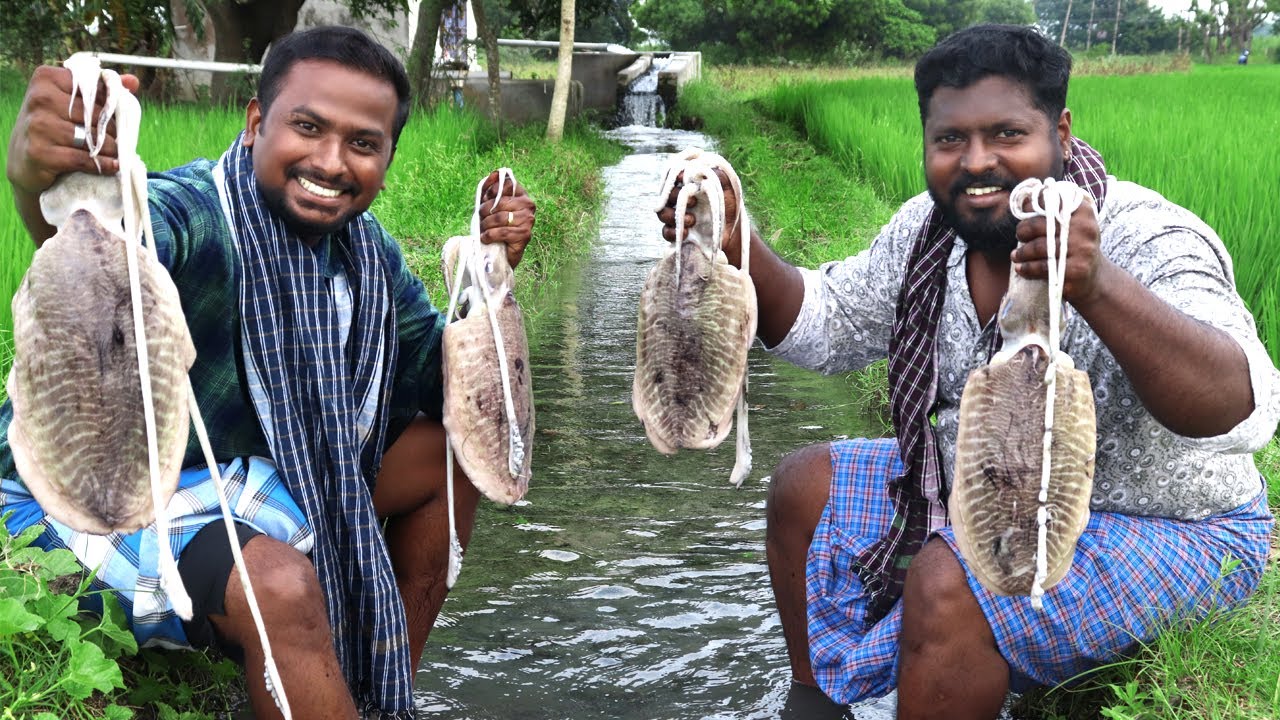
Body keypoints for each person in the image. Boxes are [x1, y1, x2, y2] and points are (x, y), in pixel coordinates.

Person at [657, 24, 1278, 720]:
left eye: (1007, 134)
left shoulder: (1145, 235)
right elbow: (823, 323)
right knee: (805, 488)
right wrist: (731, 230)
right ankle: (812, 703)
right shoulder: (926, 237)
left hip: (1170, 524)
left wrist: (1097, 284)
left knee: (949, 581)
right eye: (950, 140)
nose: (977, 162)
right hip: (989, 483)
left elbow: (1238, 404)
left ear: (1061, 133)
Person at [2, 26, 536, 720]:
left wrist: (490, 277)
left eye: (364, 144)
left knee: (452, 458)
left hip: (256, 477)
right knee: (278, 586)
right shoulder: (201, 212)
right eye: (308, 127)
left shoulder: (368, 258)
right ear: (256, 123)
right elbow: (118, 234)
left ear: (388, 156)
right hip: (94, 493)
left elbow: (449, 386)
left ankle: (379, 689)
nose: (332, 161)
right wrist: (41, 183)